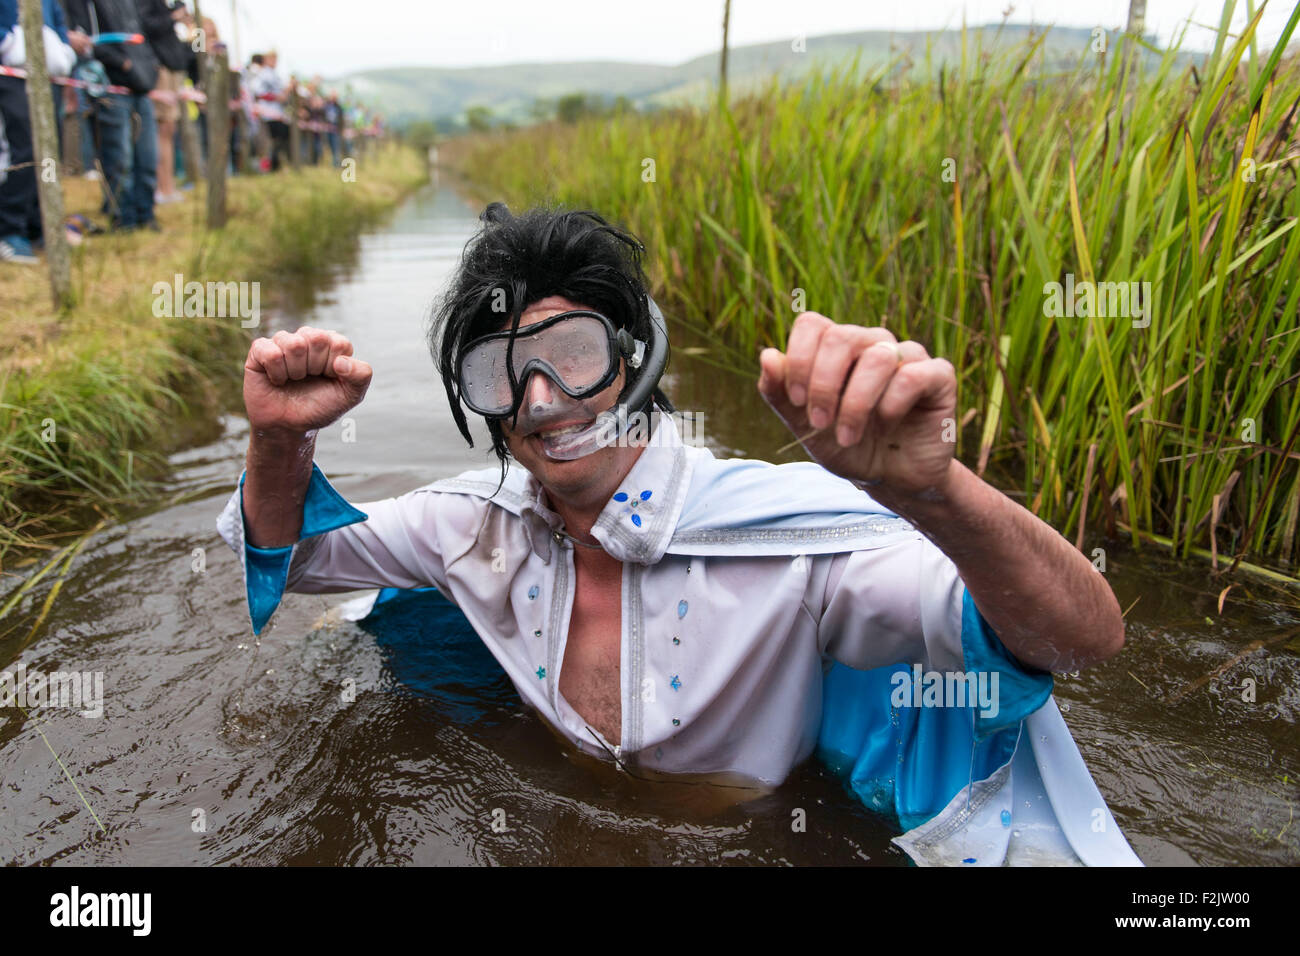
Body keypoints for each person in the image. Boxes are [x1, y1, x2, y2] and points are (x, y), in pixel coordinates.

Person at [216, 204, 1139, 865]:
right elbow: (289, 558)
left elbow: (1079, 642)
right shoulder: (470, 527)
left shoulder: (795, 544)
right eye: (501, 372)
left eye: (574, 354)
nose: (543, 399)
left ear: (635, 356)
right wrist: (279, 436)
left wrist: (937, 496)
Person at [64, 0, 160, 231]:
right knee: (119, 158)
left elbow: (146, 34)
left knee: (146, 156)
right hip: (111, 86)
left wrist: (148, 67)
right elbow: (84, 39)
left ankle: (145, 215)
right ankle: (123, 218)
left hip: (141, 85)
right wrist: (123, 64)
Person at [0, 0, 77, 262]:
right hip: (10, 75)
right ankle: (10, 230)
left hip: (47, 73)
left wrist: (64, 51)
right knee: (23, 150)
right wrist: (7, 41)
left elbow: (58, 19)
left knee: (47, 152)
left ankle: (39, 226)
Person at [138, 0, 191, 205]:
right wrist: (172, 17)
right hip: (160, 66)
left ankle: (168, 185)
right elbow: (147, 26)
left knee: (169, 130)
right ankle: (161, 187)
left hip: (173, 65)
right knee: (162, 128)